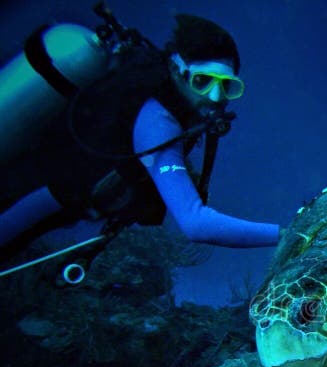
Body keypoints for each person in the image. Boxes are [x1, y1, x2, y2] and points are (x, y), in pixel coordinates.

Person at [0, 13, 280, 266]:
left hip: (52, 192)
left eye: (227, 85)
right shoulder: (159, 123)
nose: (215, 97)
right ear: (176, 70)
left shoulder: (156, 86)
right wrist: (286, 235)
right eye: (202, 81)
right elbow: (195, 223)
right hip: (39, 197)